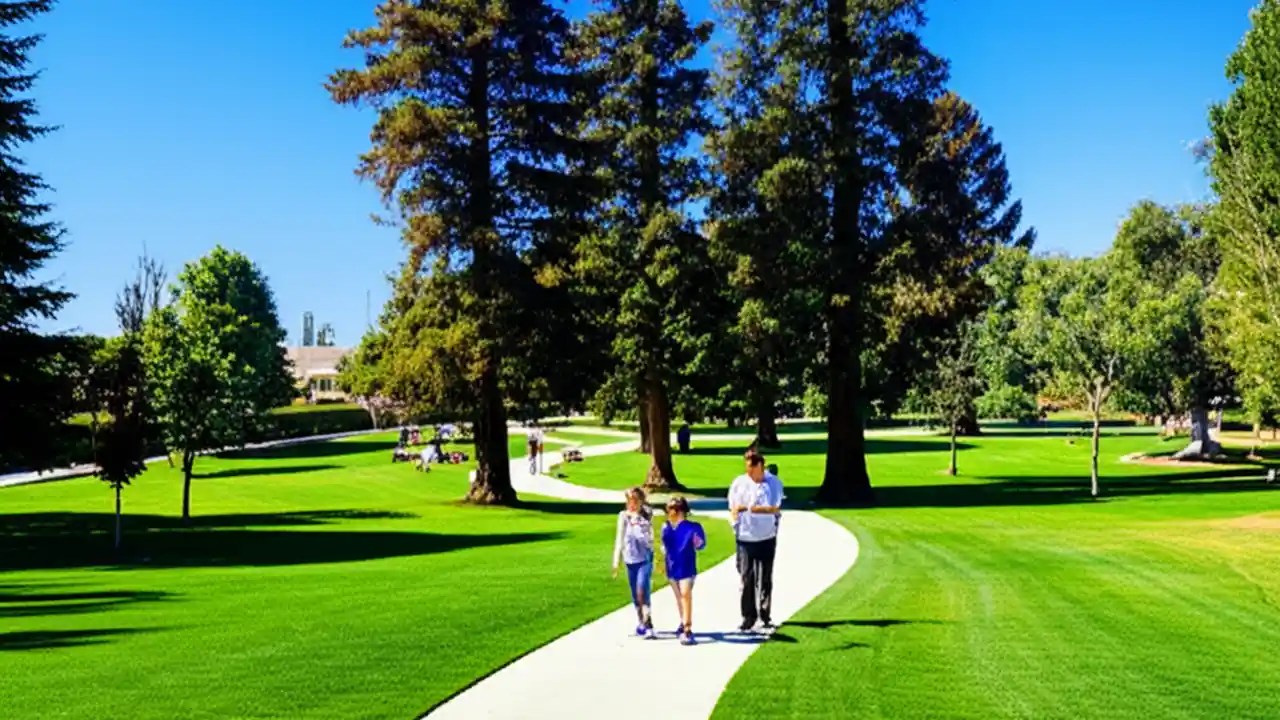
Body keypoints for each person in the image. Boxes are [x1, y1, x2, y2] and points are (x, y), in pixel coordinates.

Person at [728, 451, 783, 632]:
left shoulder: (773, 483)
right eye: (747, 468)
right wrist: (736, 518)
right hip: (745, 537)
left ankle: (764, 615)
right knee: (746, 577)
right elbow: (733, 507)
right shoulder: (739, 483)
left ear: (761, 465)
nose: (749, 472)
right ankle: (748, 616)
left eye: (752, 468)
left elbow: (774, 508)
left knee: (765, 577)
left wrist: (749, 508)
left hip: (767, 535)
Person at [661, 496, 706, 646]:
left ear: (679, 511)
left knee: (686, 595)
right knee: (679, 597)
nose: (668, 513)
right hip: (672, 566)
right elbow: (665, 546)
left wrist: (697, 541)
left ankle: (687, 628)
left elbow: (700, 544)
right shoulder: (666, 527)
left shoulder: (693, 527)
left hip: (686, 566)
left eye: (671, 510)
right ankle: (682, 621)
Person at [612, 487, 656, 639]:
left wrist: (639, 523)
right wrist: (616, 561)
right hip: (630, 559)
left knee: (642, 590)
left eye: (635, 501)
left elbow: (650, 539)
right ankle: (641, 622)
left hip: (645, 558)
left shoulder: (647, 515)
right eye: (629, 501)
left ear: (641, 501)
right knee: (635, 594)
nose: (631, 504)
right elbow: (620, 538)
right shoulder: (623, 516)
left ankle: (648, 623)